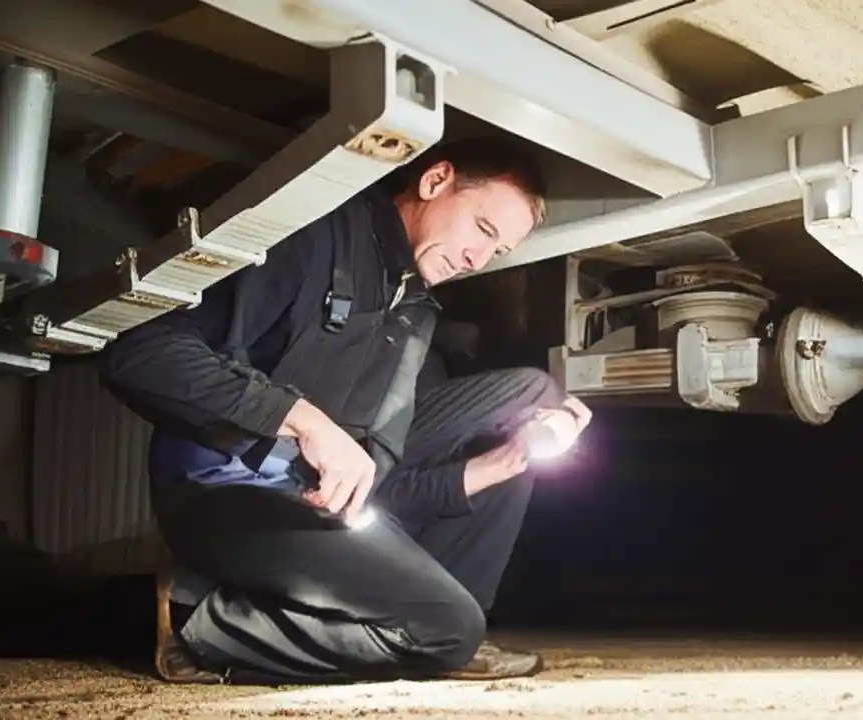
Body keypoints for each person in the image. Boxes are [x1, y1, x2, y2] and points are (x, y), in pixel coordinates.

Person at [99, 138, 592, 685]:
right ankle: (202, 621)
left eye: (496, 251)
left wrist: (504, 462)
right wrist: (304, 420)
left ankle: (437, 635)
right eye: (482, 228)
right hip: (225, 493)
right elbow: (140, 354)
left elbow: (385, 488)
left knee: (532, 397)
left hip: (315, 496)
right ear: (435, 181)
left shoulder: (414, 309)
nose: (478, 258)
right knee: (447, 629)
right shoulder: (317, 235)